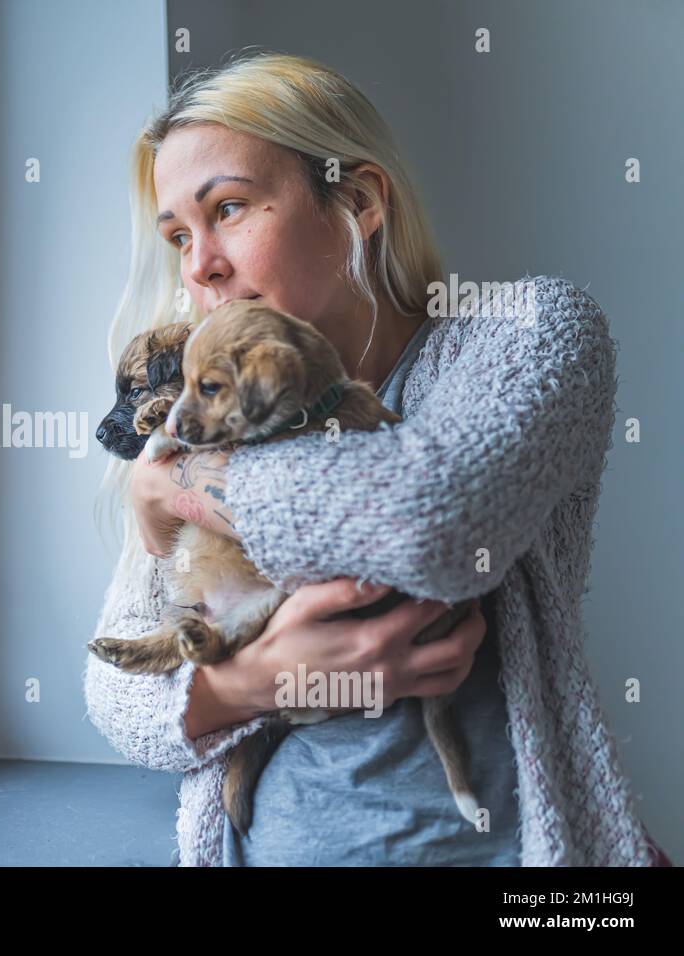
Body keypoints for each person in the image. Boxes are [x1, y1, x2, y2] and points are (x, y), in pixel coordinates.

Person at [83, 50, 658, 866]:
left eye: (232, 208)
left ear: (356, 201)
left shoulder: (525, 330)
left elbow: (435, 520)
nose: (199, 265)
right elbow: (115, 694)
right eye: (179, 234)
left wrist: (183, 487)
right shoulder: (212, 402)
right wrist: (262, 681)